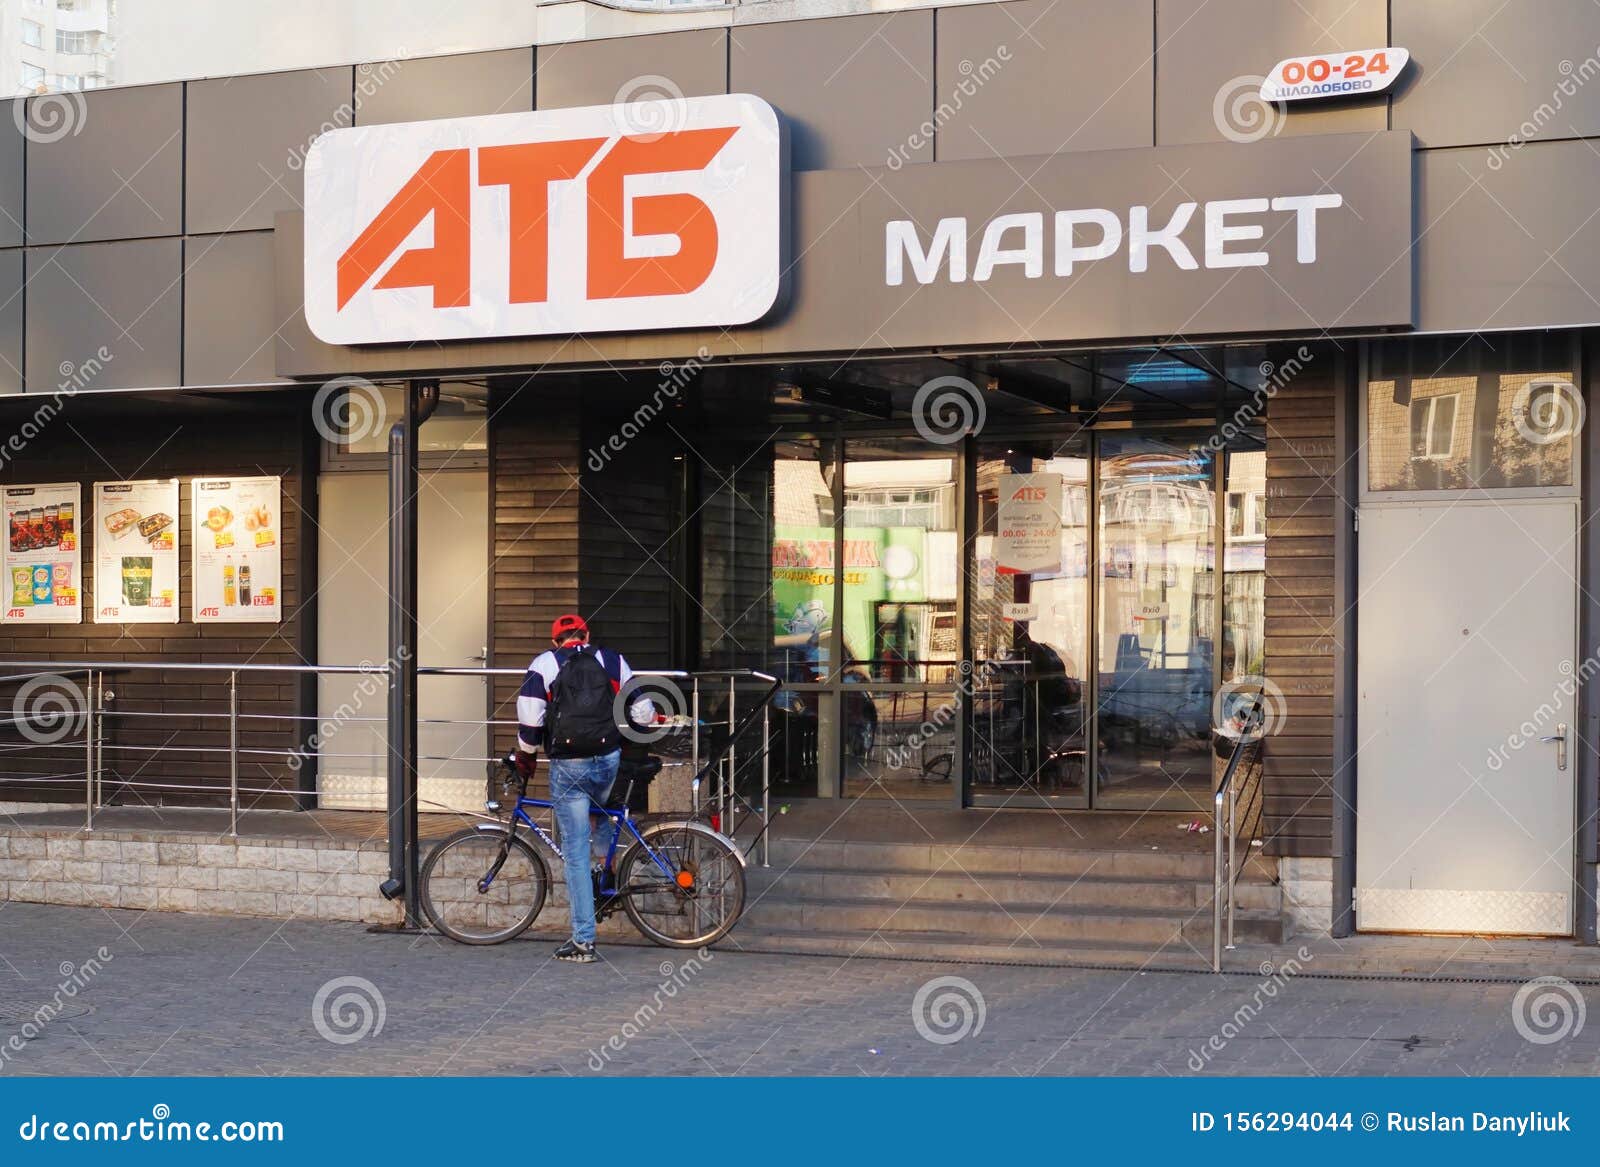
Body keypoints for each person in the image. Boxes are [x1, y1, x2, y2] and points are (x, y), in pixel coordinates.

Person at [514, 614, 653, 964]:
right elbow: (644, 712)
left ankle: (583, 940)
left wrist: (525, 760)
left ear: (556, 639)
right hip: (607, 758)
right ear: (586, 635)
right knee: (601, 812)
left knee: (574, 849)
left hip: (569, 764)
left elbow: (531, 721)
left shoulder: (544, 664)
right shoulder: (611, 659)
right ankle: (604, 879)